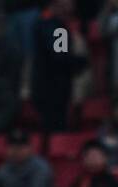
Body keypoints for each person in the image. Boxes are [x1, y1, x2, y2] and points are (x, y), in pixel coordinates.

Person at [31, 0, 88, 133]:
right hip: (53, 90)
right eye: (67, 5)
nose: (70, 8)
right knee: (55, 129)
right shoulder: (56, 27)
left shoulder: (45, 23)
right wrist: (80, 61)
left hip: (48, 87)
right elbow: (60, 56)